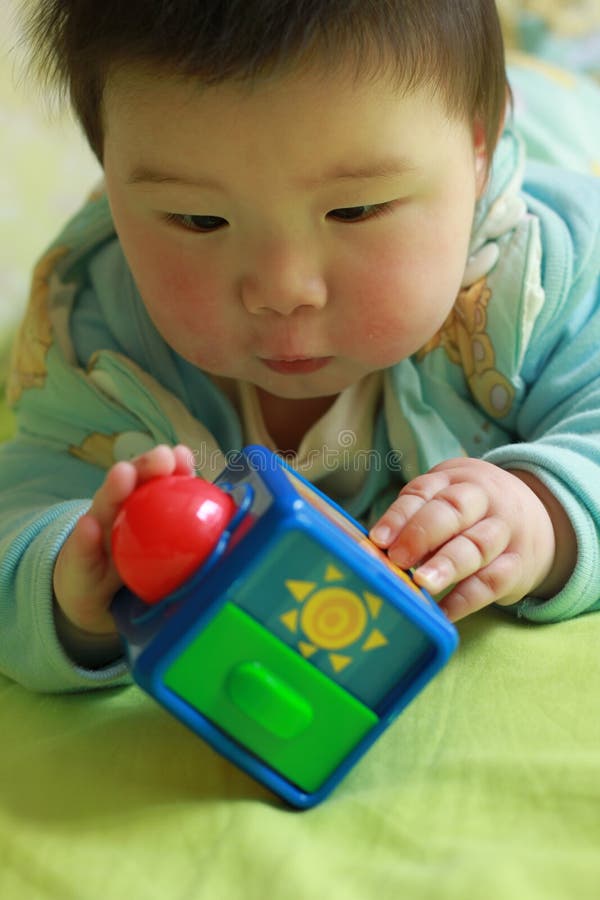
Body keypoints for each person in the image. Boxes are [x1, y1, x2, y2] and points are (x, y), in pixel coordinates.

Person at [2, 0, 599, 692]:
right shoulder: (93, 341)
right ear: (109, 174)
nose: (283, 290)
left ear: (478, 150)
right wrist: (67, 583)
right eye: (199, 219)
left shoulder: (540, 277)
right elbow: (20, 514)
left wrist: (541, 509)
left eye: (354, 210)